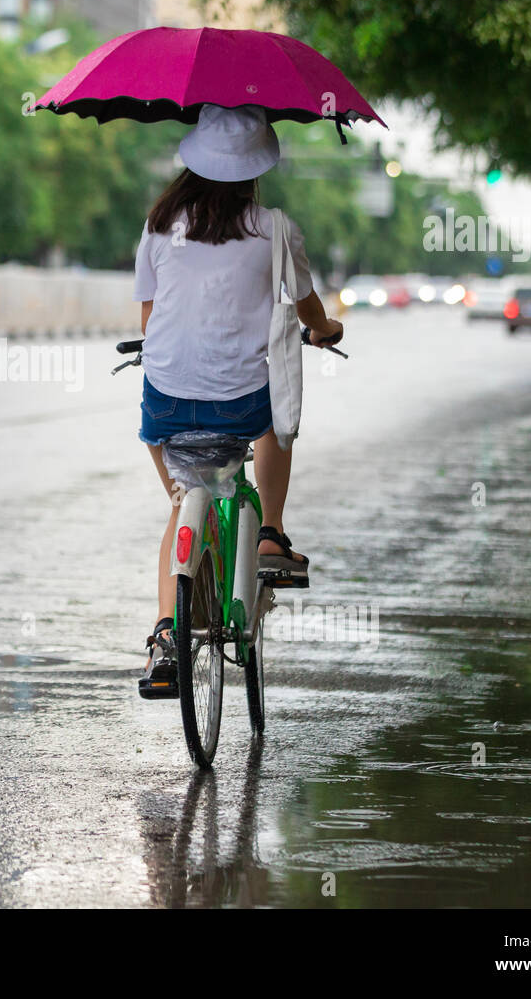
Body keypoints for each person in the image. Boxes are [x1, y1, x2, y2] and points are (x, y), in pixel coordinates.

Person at [133, 104, 344, 697]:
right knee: (278, 414)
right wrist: (327, 330)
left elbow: (151, 321)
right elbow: (307, 309)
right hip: (241, 405)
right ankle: (271, 531)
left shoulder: (158, 223)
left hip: (166, 403)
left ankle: (166, 634)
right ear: (255, 168)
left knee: (180, 500)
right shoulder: (275, 228)